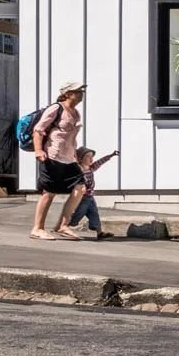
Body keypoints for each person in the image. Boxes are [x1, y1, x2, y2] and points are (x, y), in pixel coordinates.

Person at [28, 83, 86, 240]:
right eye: (78, 91)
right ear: (67, 94)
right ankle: (37, 228)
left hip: (69, 158)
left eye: (82, 91)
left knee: (80, 189)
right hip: (52, 156)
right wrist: (38, 150)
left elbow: (71, 137)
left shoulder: (76, 113)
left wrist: (76, 157)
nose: (81, 94)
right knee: (49, 193)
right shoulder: (56, 108)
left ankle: (62, 225)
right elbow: (38, 130)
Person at [60, 147, 121, 240]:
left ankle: (99, 232)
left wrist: (111, 155)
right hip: (82, 198)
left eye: (92, 157)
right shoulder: (79, 170)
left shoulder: (91, 168)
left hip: (90, 197)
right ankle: (64, 226)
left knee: (94, 214)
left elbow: (101, 161)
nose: (91, 159)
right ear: (80, 158)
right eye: (88, 157)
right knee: (78, 214)